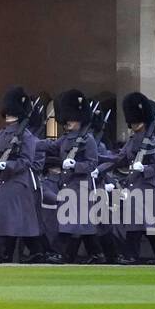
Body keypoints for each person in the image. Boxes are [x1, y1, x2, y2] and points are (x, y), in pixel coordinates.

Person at [0, 87, 46, 264]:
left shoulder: (27, 136)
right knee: (15, 220)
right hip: (8, 180)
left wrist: (8, 165)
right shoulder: (4, 133)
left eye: (10, 114)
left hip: (19, 181)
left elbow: (26, 161)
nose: (8, 117)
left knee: (8, 218)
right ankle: (29, 252)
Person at [111, 91, 155, 265]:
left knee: (143, 224)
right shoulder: (132, 140)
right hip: (133, 185)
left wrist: (144, 168)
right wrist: (101, 162)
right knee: (137, 224)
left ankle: (144, 254)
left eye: (137, 120)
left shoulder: (153, 142)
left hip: (146, 186)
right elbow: (120, 158)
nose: (134, 123)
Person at [52, 88, 104, 265]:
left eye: (72, 119)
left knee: (75, 223)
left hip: (81, 186)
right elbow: (49, 146)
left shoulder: (88, 139)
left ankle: (65, 255)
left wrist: (75, 166)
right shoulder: (66, 138)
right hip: (68, 185)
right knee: (77, 224)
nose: (68, 122)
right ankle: (95, 255)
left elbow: (92, 163)